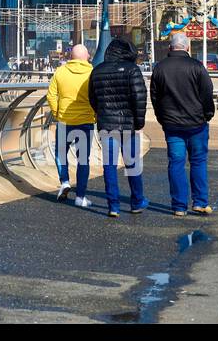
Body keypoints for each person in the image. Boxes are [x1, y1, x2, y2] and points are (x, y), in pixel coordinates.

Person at [150, 32, 215, 216]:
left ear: (170, 48)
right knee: (198, 162)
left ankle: (179, 206)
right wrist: (207, 114)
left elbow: (155, 97)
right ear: (188, 48)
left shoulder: (160, 68)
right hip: (196, 123)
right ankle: (200, 202)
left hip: (172, 125)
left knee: (176, 163)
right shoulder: (197, 67)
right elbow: (206, 93)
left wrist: (162, 117)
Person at [87, 37, 149, 217]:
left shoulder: (97, 71)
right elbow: (139, 98)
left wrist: (102, 113)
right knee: (132, 164)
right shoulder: (132, 70)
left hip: (106, 124)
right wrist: (138, 122)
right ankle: (137, 201)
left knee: (109, 165)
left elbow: (92, 98)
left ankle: (113, 206)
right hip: (128, 125)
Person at [46, 43, 96, 208]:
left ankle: (65, 180)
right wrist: (94, 115)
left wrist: (57, 113)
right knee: (83, 160)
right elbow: (97, 96)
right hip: (86, 121)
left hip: (65, 120)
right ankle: (80, 197)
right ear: (85, 56)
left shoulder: (60, 72)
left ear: (71, 57)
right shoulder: (91, 72)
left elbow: (51, 96)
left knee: (60, 153)